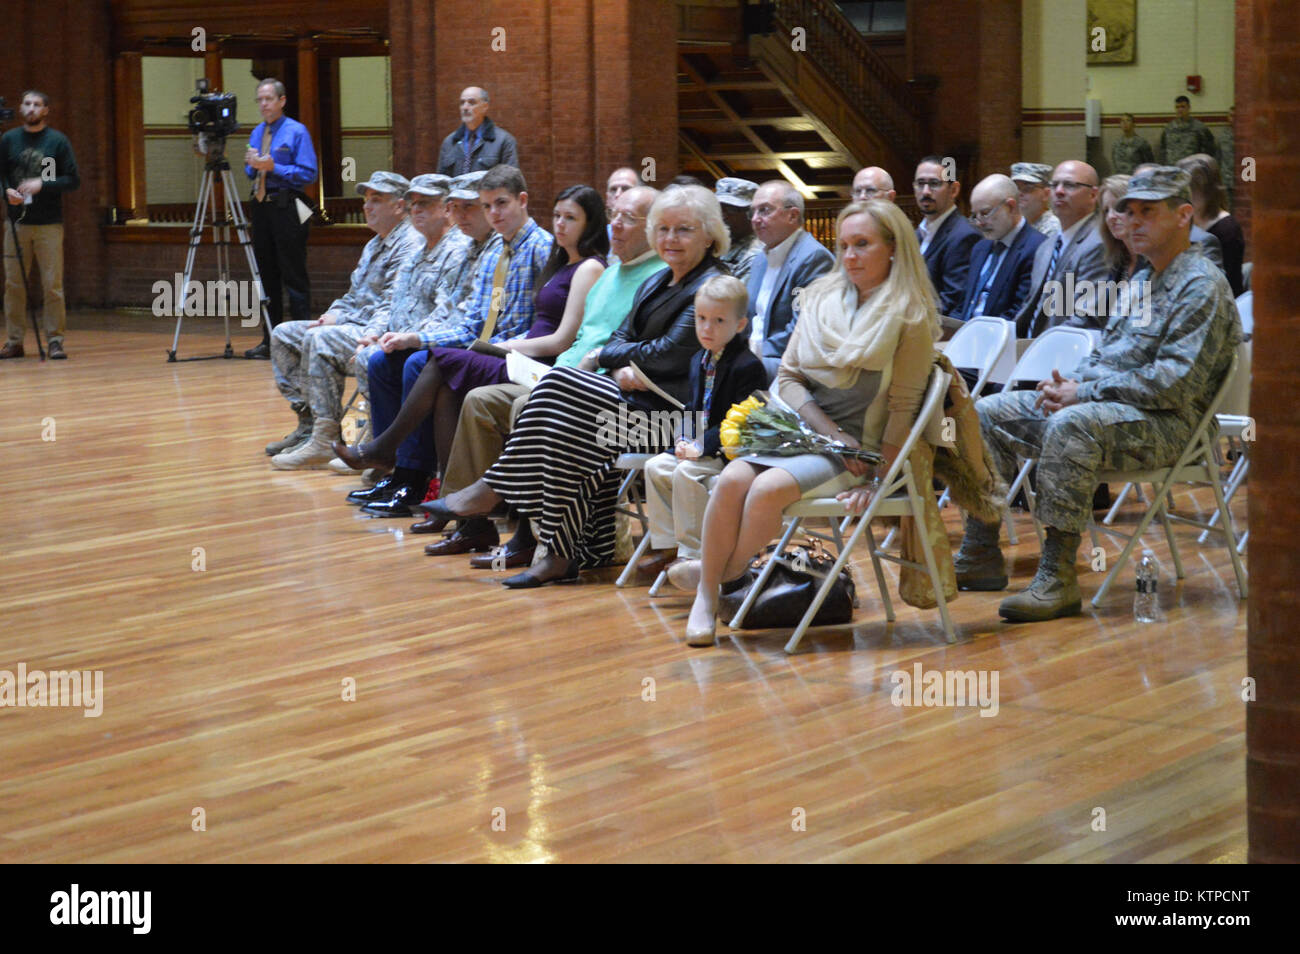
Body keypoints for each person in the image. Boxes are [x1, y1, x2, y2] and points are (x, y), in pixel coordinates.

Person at [955, 168, 1240, 622]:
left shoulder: (1200, 284)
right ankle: (980, 551)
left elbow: (1173, 383)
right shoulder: (1142, 279)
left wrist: (1081, 393)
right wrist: (1064, 387)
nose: (1134, 221)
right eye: (1130, 212)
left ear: (1184, 215)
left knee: (1072, 424)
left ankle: (1057, 576)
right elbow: (1106, 354)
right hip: (1111, 409)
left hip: (1170, 425)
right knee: (987, 412)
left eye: (1150, 212)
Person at [419, 185, 728, 584]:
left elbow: (666, 353)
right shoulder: (658, 282)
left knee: (562, 385)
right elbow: (621, 338)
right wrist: (618, 356)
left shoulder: (712, 284)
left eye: (683, 230)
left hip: (685, 426)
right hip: (636, 412)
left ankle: (497, 493)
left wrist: (608, 357)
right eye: (663, 228)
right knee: (565, 424)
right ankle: (557, 553)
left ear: (709, 234)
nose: (670, 239)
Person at [682, 199, 940, 645]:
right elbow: (789, 378)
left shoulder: (909, 314)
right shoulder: (821, 298)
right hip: (812, 432)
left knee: (764, 489)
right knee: (729, 480)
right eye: (843, 245)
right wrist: (830, 432)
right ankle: (708, 595)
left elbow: (904, 409)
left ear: (893, 249)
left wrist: (879, 479)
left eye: (863, 245)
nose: (850, 256)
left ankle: (714, 576)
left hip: (862, 451)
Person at [335, 185, 606, 514]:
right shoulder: (550, 259)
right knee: (397, 366)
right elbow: (468, 315)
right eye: (558, 216)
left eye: (571, 218)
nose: (561, 224)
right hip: (505, 349)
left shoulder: (565, 257)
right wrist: (413, 336)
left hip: (530, 359)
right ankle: (446, 497)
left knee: (432, 364)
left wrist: (503, 346)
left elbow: (562, 339)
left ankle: (391, 455)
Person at [265, 171, 423, 468]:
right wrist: (333, 315)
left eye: (377, 200)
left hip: (381, 330)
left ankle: (338, 438)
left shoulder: (409, 244)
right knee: (284, 333)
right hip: (354, 324)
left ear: (399, 207)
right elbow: (353, 295)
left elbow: (392, 305)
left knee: (318, 338)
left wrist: (348, 324)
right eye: (366, 200)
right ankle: (312, 426)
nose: (367, 207)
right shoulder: (375, 243)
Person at [638, 275, 768, 578]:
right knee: (656, 466)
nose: (707, 328)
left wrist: (699, 447)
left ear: (738, 325)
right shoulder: (698, 359)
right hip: (702, 447)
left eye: (718, 320)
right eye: (701, 319)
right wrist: (683, 442)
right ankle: (667, 546)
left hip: (730, 454)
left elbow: (738, 421)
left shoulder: (747, 366)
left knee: (686, 473)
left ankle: (694, 553)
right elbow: (693, 408)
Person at [241, 78, 319, 360]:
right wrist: (252, 165)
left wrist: (275, 167)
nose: (264, 104)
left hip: (288, 207)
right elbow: (251, 174)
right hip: (261, 208)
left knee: (293, 274)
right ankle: (270, 339)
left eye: (269, 99)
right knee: (266, 276)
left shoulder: (297, 131)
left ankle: (300, 342)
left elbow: (308, 173)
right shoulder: (257, 132)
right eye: (260, 100)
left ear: (282, 101)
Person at [2, 90, 79, 360]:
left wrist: (41, 184)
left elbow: (72, 179)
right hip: (16, 224)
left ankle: (55, 340)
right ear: (21, 108)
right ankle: (14, 341)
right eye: (27, 103)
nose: (31, 108)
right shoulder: (9, 140)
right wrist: (6, 193)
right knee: (14, 284)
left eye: (37, 104)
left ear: (46, 110)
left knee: (52, 285)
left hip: (48, 224)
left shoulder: (57, 142)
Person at [746, 179, 836, 378]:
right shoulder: (760, 259)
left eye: (765, 210)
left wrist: (750, 357)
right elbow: (748, 318)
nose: (755, 219)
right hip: (753, 360)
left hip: (786, 366)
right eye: (753, 212)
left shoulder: (813, 258)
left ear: (792, 215)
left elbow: (802, 329)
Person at [1015, 160, 1108, 337]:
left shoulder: (1098, 244)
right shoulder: (1047, 246)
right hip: (1026, 344)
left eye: (1070, 185)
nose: (1059, 191)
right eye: (1055, 184)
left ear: (1093, 195)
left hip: (1062, 348)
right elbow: (1029, 308)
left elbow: (1086, 319)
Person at [958, 173, 1045, 323]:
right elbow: (964, 304)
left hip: (1000, 338)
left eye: (985, 213)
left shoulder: (1037, 248)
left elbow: (1019, 314)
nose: (979, 223)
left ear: (1010, 207)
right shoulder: (980, 247)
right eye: (975, 216)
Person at [913, 155, 980, 316]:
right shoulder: (916, 233)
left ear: (954, 190)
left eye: (935, 184)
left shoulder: (964, 235)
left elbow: (952, 300)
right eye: (920, 184)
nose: (926, 191)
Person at [1179, 153, 1245, 296]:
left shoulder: (1227, 229)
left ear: (1209, 192)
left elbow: (1229, 283)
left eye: (1193, 190)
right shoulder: (1183, 220)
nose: (1187, 197)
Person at [437, 87, 519, 177]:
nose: (465, 107)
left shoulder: (503, 141)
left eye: (471, 102)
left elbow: (510, 182)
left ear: (485, 107)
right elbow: (441, 182)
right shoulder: (449, 142)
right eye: (462, 103)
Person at [714, 177, 762, 281]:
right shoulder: (714, 243)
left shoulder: (756, 256)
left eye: (731, 209)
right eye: (719, 208)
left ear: (751, 214)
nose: (723, 215)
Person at [1097, 175, 1137, 281]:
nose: (1111, 217)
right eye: (1106, 210)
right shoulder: (1118, 264)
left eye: (1118, 207)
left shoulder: (1155, 261)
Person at [1159, 95, 1218, 166]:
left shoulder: (1199, 128)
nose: (1180, 110)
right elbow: (1163, 150)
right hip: (1172, 168)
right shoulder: (1169, 128)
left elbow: (1209, 150)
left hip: (1192, 169)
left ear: (1189, 108)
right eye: (1177, 107)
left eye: (1183, 107)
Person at [1010, 162, 1060, 238]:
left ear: (1046, 194)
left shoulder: (1053, 229)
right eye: (1015, 188)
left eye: (1027, 188)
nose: (1019, 193)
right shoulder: (1013, 225)